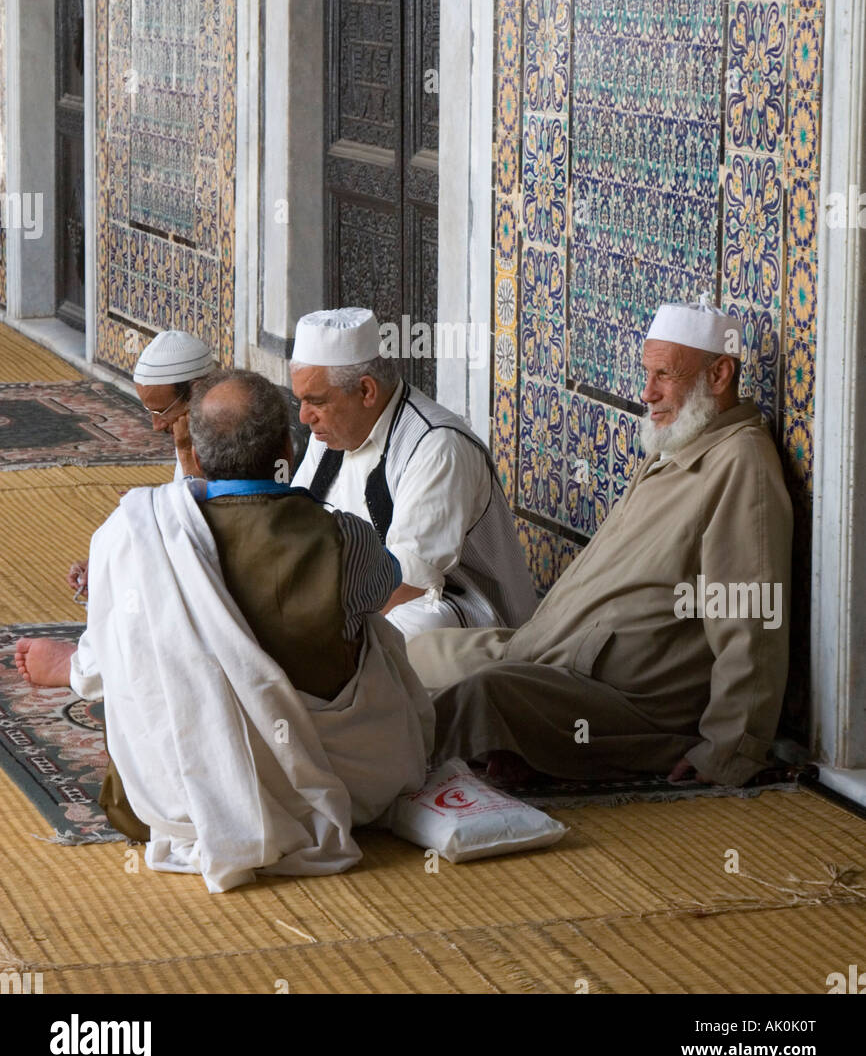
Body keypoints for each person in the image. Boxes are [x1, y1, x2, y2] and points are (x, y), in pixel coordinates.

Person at [16, 369, 433, 892]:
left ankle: (78, 670)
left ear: (196, 453)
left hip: (180, 799)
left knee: (136, 637)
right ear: (287, 445)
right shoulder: (344, 538)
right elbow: (392, 581)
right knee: (378, 632)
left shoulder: (138, 532)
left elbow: (123, 654)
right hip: (343, 783)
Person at [406, 297, 793, 790]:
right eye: (647, 374)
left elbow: (751, 620)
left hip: (622, 698)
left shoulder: (741, 465)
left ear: (719, 375)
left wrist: (730, 748)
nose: (647, 393)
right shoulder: (681, 442)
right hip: (549, 653)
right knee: (413, 652)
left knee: (484, 695)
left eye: (664, 376)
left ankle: (368, 777)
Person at [289, 307, 538, 641]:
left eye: (315, 401)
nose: (304, 417)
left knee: (417, 625)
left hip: (464, 615)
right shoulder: (329, 433)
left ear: (366, 391)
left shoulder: (436, 446)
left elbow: (407, 585)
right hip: (354, 600)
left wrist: (313, 628)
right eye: (300, 401)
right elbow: (296, 530)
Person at [65, 330, 215, 595]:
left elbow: (203, 533)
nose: (156, 426)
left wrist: (184, 453)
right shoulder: (192, 426)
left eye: (161, 411)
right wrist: (105, 561)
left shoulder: (233, 434)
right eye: (150, 412)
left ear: (196, 391)